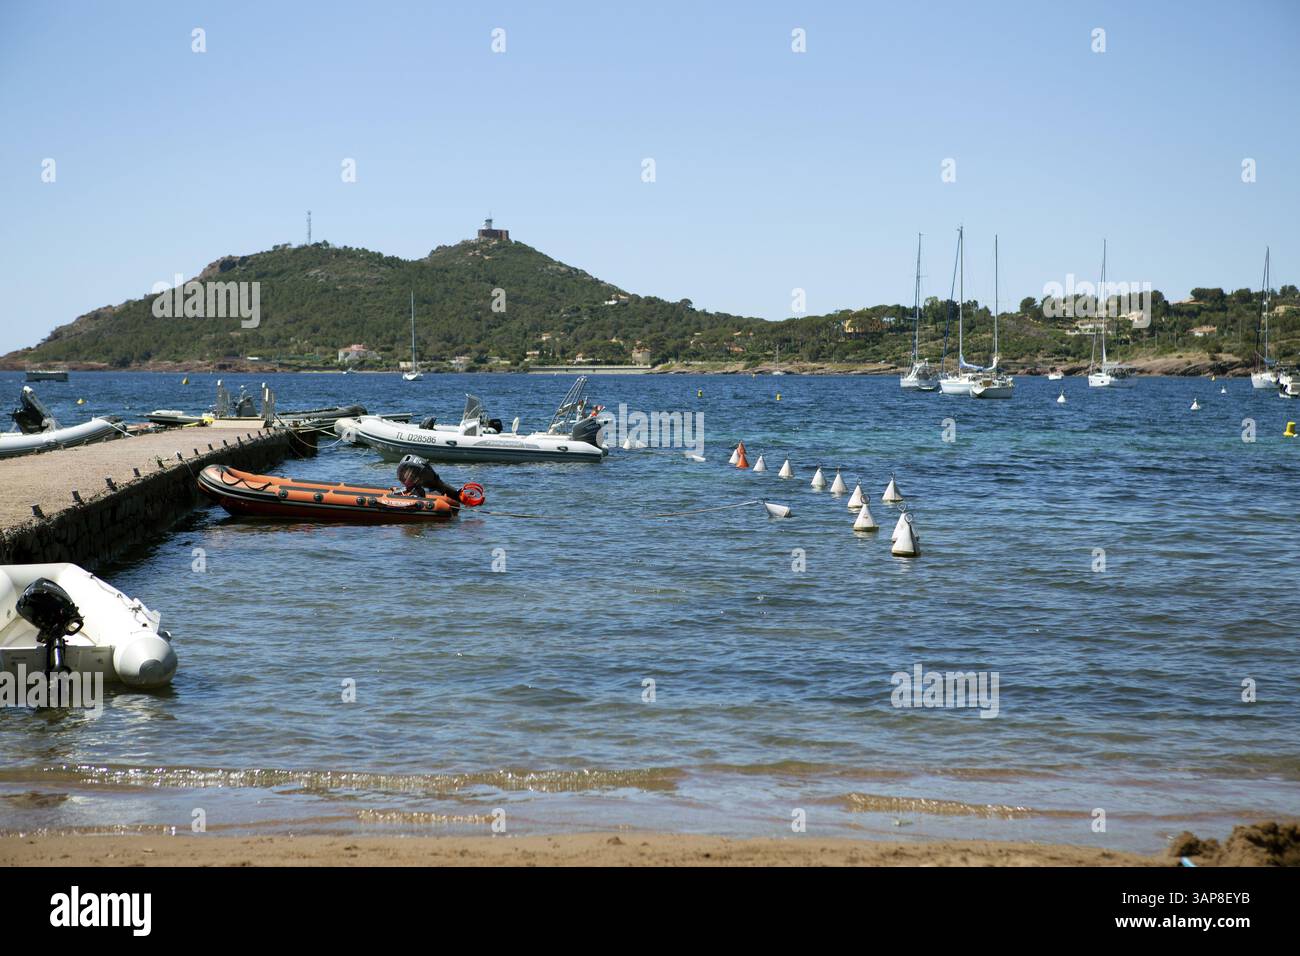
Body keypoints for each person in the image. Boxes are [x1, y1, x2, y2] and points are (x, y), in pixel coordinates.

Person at [394, 454, 461, 500]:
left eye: (411, 477)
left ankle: (459, 496)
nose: (407, 479)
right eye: (407, 476)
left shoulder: (420, 490)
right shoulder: (414, 486)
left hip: (434, 485)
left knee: (440, 487)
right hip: (432, 482)